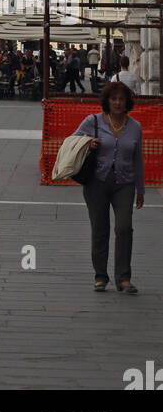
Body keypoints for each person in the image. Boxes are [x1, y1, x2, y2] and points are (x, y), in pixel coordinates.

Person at [72, 82, 145, 293]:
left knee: (124, 228)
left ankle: (124, 277)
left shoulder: (135, 127)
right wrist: (88, 142)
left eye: (121, 99)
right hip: (97, 183)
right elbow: (73, 140)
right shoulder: (92, 121)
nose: (118, 103)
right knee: (100, 229)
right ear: (107, 101)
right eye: (113, 99)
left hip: (125, 184)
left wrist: (140, 189)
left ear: (127, 102)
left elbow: (138, 159)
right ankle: (101, 276)